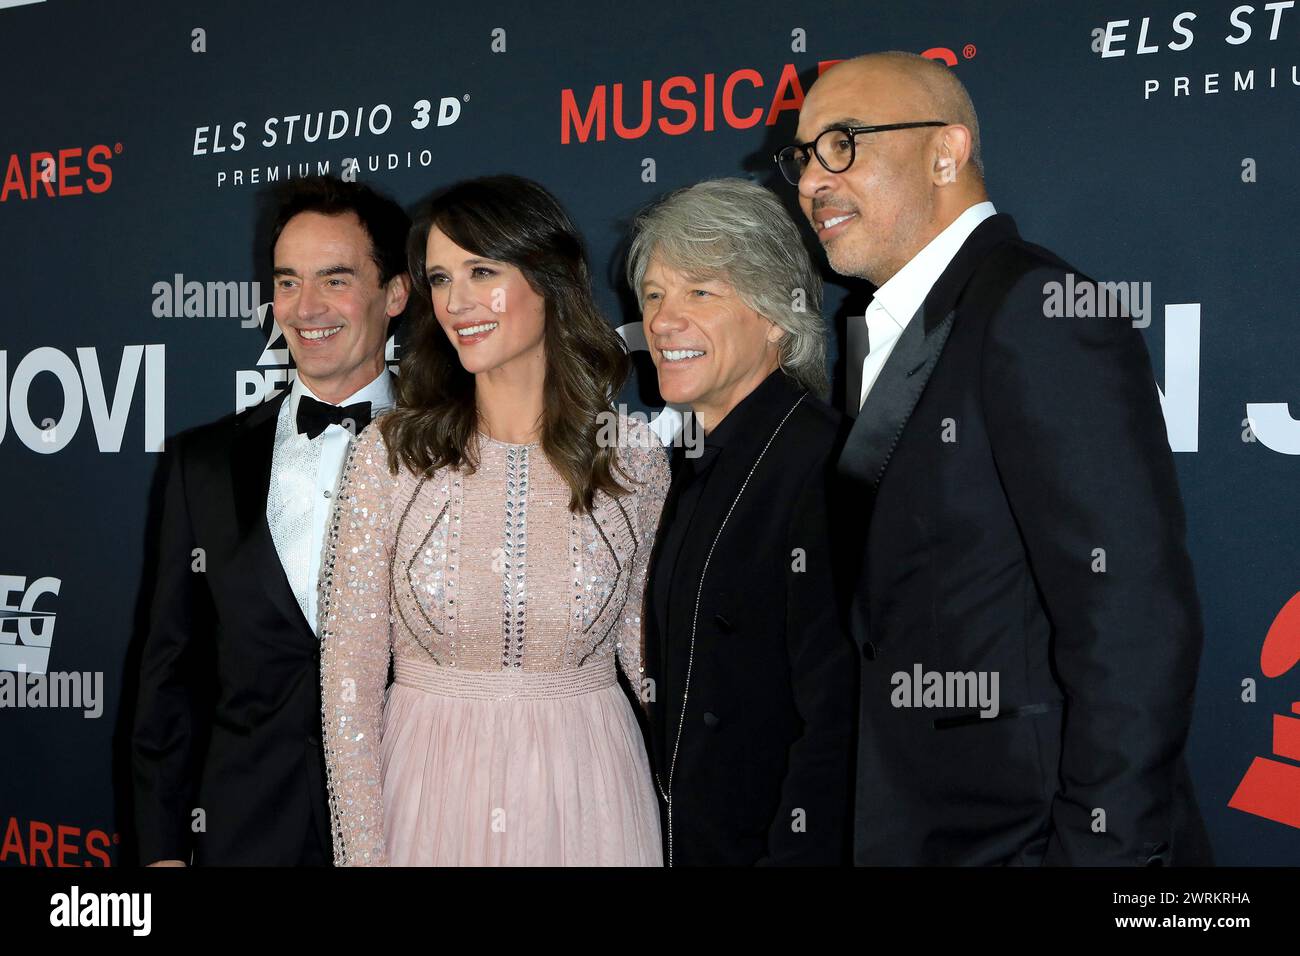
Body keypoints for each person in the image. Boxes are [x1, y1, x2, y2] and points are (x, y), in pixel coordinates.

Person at [779, 51, 1212, 865]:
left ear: (946, 151)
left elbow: (1133, 624)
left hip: (1030, 842)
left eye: (844, 143)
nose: (811, 180)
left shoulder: (1037, 313)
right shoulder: (885, 335)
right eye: (803, 155)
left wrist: (1099, 858)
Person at [320, 174, 668, 866]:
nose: (456, 302)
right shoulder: (389, 456)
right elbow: (350, 678)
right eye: (442, 278)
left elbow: (649, 655)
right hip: (428, 797)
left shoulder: (630, 458)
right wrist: (363, 853)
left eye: (483, 271)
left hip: (590, 796)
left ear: (548, 278)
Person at [132, 175, 411, 865]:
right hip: (245, 830)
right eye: (288, 282)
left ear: (396, 294)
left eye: (335, 279)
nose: (305, 308)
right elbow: (171, 673)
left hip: (412, 819)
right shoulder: (203, 465)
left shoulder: (457, 452)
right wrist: (164, 850)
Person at [627, 178, 858, 866]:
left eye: (701, 292)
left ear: (779, 317)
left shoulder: (824, 468)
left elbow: (842, 722)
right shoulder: (695, 466)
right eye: (655, 294)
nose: (664, 321)